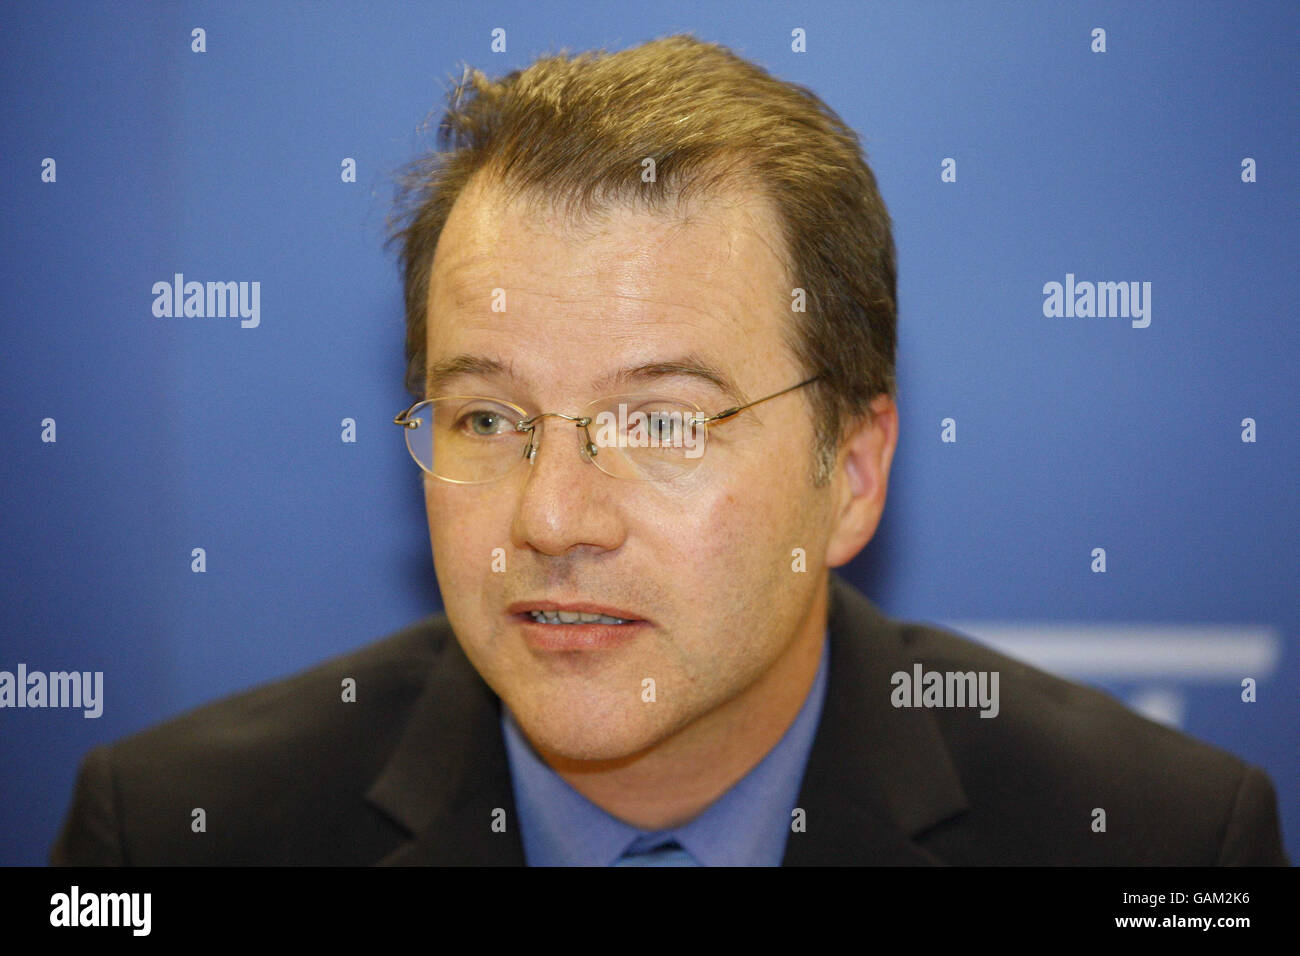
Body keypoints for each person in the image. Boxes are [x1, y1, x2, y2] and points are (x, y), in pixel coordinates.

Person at [51, 34, 1287, 866]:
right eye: (489, 418)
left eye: (661, 422)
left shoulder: (1155, 843)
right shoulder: (168, 836)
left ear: (848, 473)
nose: (552, 518)